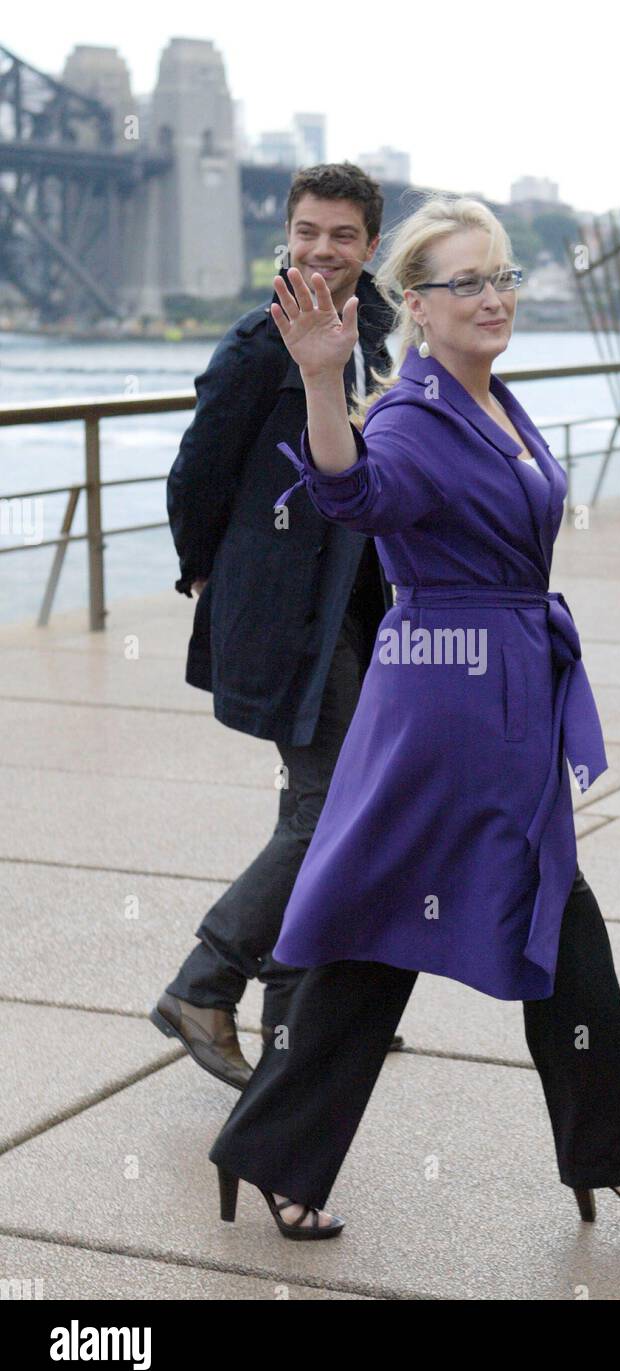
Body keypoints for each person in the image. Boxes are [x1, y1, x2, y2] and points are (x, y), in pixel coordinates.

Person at [208, 194, 620, 1238]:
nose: (493, 298)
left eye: (502, 278)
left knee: (417, 927)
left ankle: (272, 1148)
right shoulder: (410, 414)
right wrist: (315, 378)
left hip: (500, 694)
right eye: (464, 283)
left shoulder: (493, 401)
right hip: (449, 713)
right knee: (529, 912)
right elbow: (355, 493)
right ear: (416, 309)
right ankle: (615, 1156)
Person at [151, 164, 405, 1089]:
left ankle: (293, 1004)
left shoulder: (385, 339)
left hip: (365, 613)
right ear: (286, 236)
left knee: (317, 802)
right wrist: (209, 574)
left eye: (341, 235)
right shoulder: (261, 342)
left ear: (370, 244)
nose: (321, 251)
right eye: (307, 232)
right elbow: (196, 472)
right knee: (331, 803)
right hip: (287, 613)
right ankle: (204, 983)